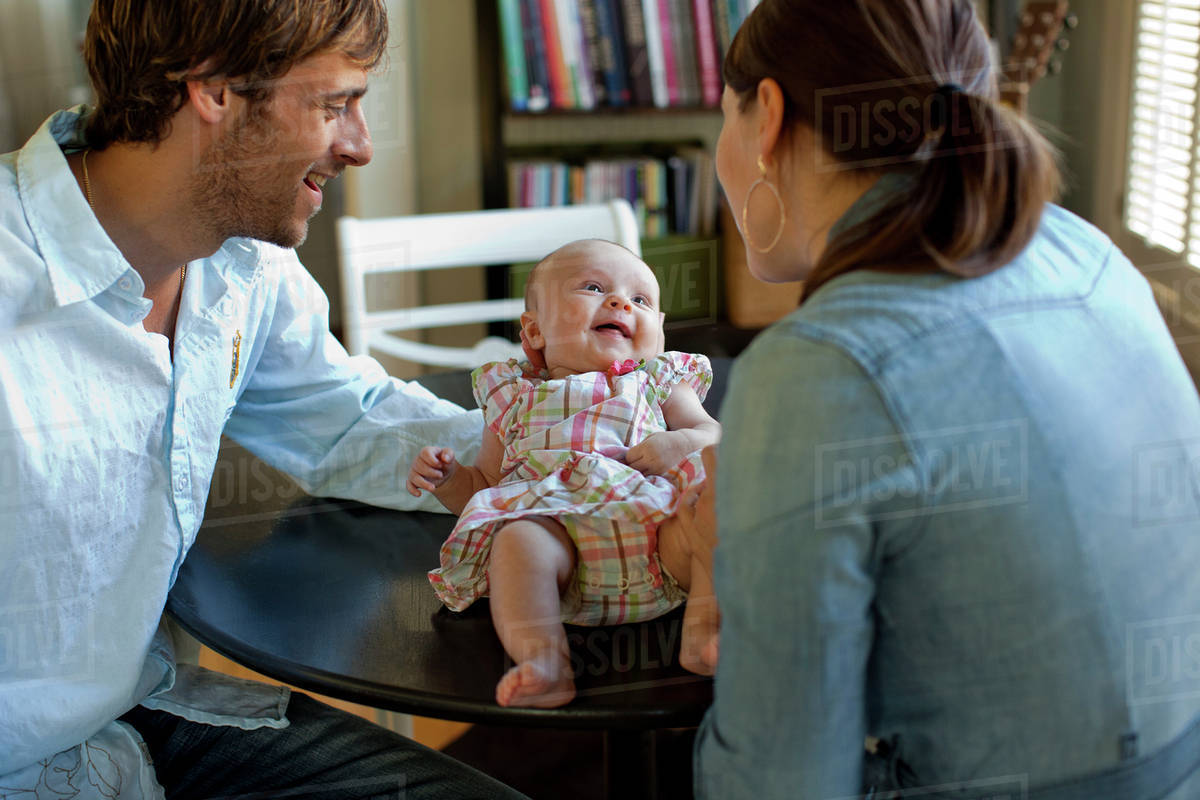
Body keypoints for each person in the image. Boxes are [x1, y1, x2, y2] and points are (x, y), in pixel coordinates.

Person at [0, 1, 526, 797]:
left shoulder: (240, 265)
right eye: (335, 104)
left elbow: (349, 419)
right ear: (213, 88)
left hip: (136, 716)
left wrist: (578, 448)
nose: (361, 145)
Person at [687, 0, 1200, 798]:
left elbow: (779, 784)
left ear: (769, 119)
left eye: (724, 114)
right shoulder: (1084, 250)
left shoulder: (815, 370)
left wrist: (731, 544)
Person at [407, 239, 721, 708]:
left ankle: (706, 630)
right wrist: (450, 479)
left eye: (640, 300)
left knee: (719, 500)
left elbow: (714, 436)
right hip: (562, 554)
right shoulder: (514, 395)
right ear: (534, 331)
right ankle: (544, 661)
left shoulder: (655, 379)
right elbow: (487, 487)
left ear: (657, 331)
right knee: (515, 539)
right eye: (594, 287)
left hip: (661, 540)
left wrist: (680, 442)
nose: (619, 302)